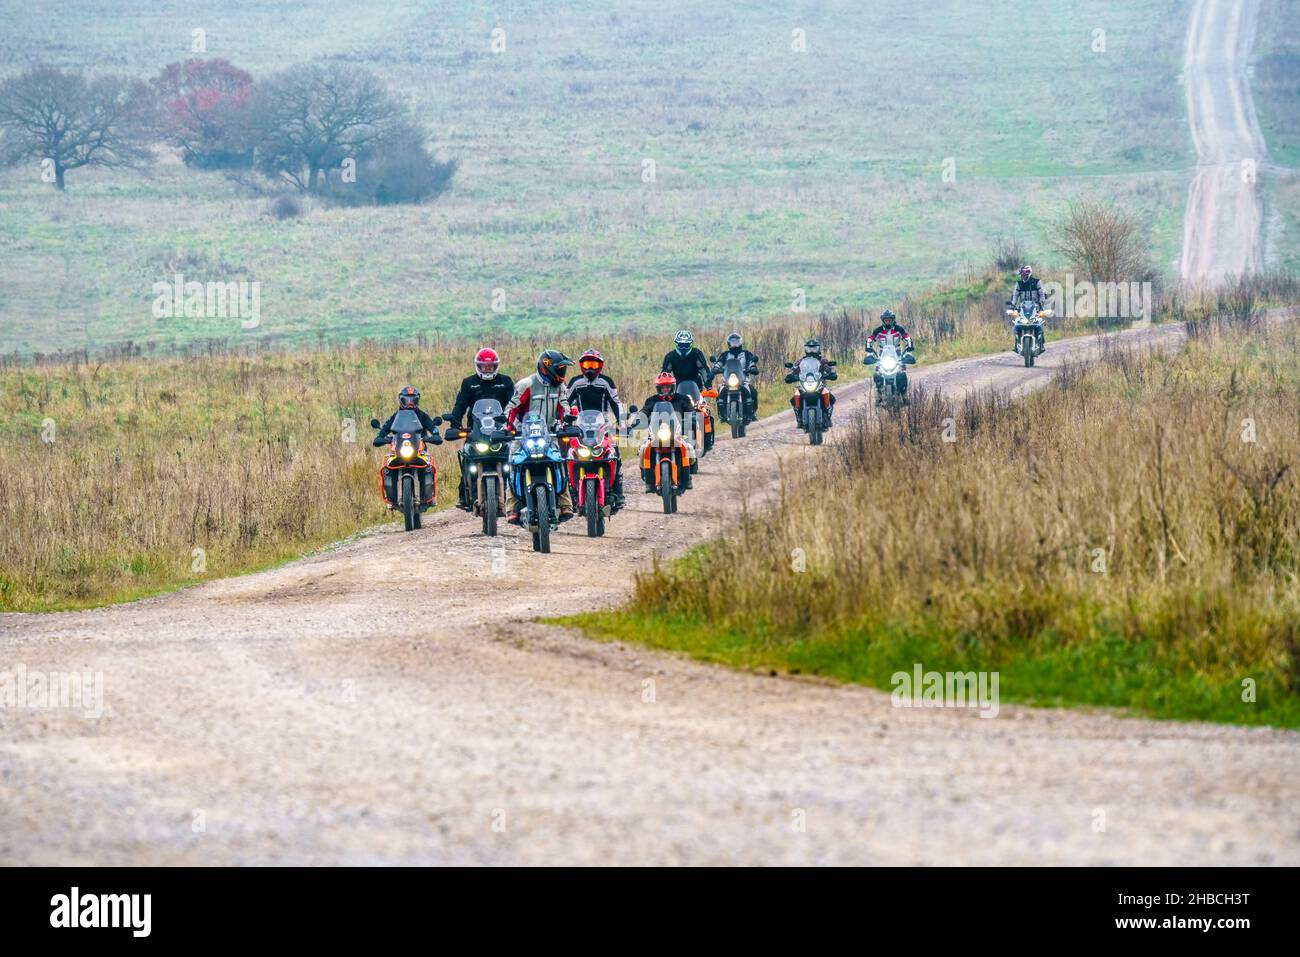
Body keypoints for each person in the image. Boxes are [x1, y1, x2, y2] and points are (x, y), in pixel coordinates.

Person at [505, 349, 575, 523]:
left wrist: (568, 422)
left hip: (548, 433)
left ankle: (565, 504)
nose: (562, 373)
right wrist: (507, 428)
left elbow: (564, 406)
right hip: (523, 435)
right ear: (547, 367)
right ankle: (512, 508)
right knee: (513, 464)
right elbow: (511, 408)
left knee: (560, 462)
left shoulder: (560, 387)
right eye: (559, 369)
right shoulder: (526, 384)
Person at [448, 348, 515, 510]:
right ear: (478, 366)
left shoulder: (505, 382)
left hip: (500, 431)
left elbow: (514, 405)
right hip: (476, 431)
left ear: (495, 366)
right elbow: (460, 405)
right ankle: (464, 495)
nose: (487, 369)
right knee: (467, 457)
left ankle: (516, 495)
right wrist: (455, 425)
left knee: (514, 460)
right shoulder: (469, 383)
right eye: (484, 366)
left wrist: (514, 424)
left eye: (490, 366)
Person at [566, 349, 624, 511]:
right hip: (580, 425)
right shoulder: (576, 382)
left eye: (594, 364)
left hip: (603, 425)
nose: (590, 368)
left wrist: (623, 422)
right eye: (586, 364)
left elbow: (616, 403)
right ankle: (568, 491)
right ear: (581, 365)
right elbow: (564, 402)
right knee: (569, 454)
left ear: (600, 366)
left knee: (615, 454)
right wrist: (563, 419)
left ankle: (618, 492)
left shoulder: (606, 382)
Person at [372, 385, 442, 507]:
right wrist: (380, 437)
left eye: (413, 400)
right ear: (401, 400)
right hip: (398, 450)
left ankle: (429, 498)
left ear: (417, 400)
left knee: (429, 466)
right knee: (387, 467)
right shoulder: (395, 416)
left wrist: (435, 435)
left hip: (419, 451)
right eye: (407, 400)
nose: (410, 403)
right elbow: (384, 428)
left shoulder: (422, 415)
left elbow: (432, 427)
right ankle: (391, 499)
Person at [638, 371, 697, 492]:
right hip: (655, 434)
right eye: (663, 387)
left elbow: (690, 411)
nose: (665, 389)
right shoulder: (652, 400)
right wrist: (638, 418)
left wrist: (692, 418)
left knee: (689, 448)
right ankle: (648, 481)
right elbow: (644, 412)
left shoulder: (682, 399)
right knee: (644, 449)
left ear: (673, 386)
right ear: (658, 388)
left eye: (668, 386)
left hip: (678, 434)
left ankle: (687, 478)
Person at [785, 339, 837, 427]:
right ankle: (799, 418)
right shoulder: (801, 361)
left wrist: (831, 373)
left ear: (818, 349)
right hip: (804, 384)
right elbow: (795, 368)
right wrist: (791, 375)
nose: (812, 350)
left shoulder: (822, 360)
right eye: (809, 348)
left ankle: (827, 417)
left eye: (814, 348)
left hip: (819, 384)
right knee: (794, 398)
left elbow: (828, 367)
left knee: (831, 398)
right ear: (806, 349)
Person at [866, 309, 914, 404]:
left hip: (897, 354)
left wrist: (909, 347)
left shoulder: (899, 329)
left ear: (893, 320)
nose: (887, 321)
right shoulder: (878, 330)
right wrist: (869, 349)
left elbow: (906, 337)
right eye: (886, 320)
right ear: (883, 320)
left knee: (902, 374)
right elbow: (870, 339)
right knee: (877, 374)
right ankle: (879, 396)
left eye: (889, 320)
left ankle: (904, 396)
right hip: (882, 355)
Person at [711, 332, 759, 423]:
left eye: (736, 342)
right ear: (729, 343)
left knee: (752, 391)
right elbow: (719, 362)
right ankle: (721, 415)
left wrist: (752, 367)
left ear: (740, 342)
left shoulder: (746, 353)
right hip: (727, 379)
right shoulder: (725, 354)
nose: (734, 344)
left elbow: (752, 362)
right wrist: (715, 368)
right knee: (719, 392)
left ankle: (753, 413)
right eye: (732, 342)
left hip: (743, 379)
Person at [1010, 265, 1047, 354]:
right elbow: (1015, 295)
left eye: (1024, 274)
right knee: (1017, 324)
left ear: (1028, 274)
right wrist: (1013, 304)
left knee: (1039, 324)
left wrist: (1042, 303)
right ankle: (1016, 344)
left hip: (1036, 307)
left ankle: (1041, 344)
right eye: (1021, 274)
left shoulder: (1037, 282)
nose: (1022, 276)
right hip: (1022, 308)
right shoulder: (1019, 284)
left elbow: (1042, 294)